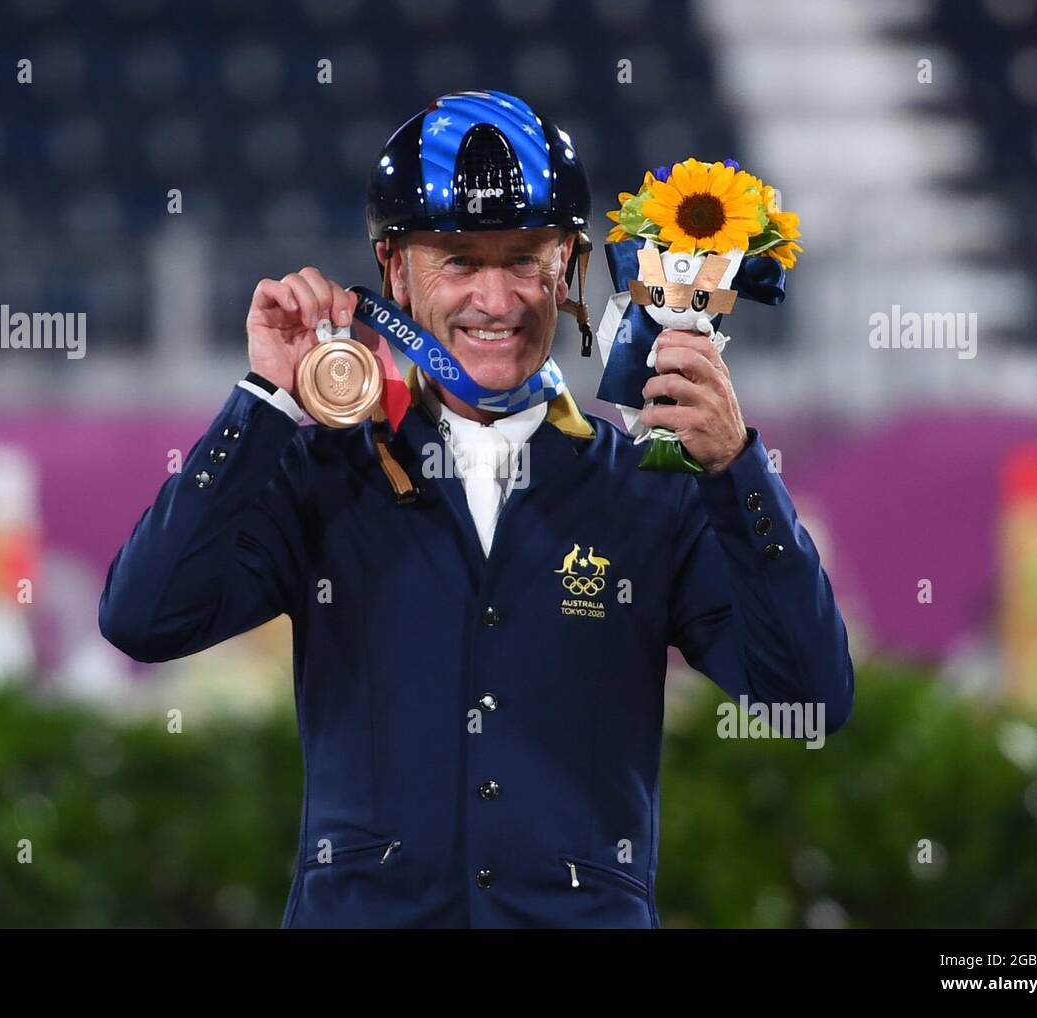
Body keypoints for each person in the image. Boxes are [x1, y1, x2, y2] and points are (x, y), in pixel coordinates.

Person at [99, 89, 855, 928]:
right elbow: (144, 618)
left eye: (526, 257)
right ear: (394, 269)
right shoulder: (323, 472)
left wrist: (738, 471)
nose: (496, 301)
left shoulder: (656, 485)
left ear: (568, 266)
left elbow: (812, 700)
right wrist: (263, 404)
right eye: (459, 260)